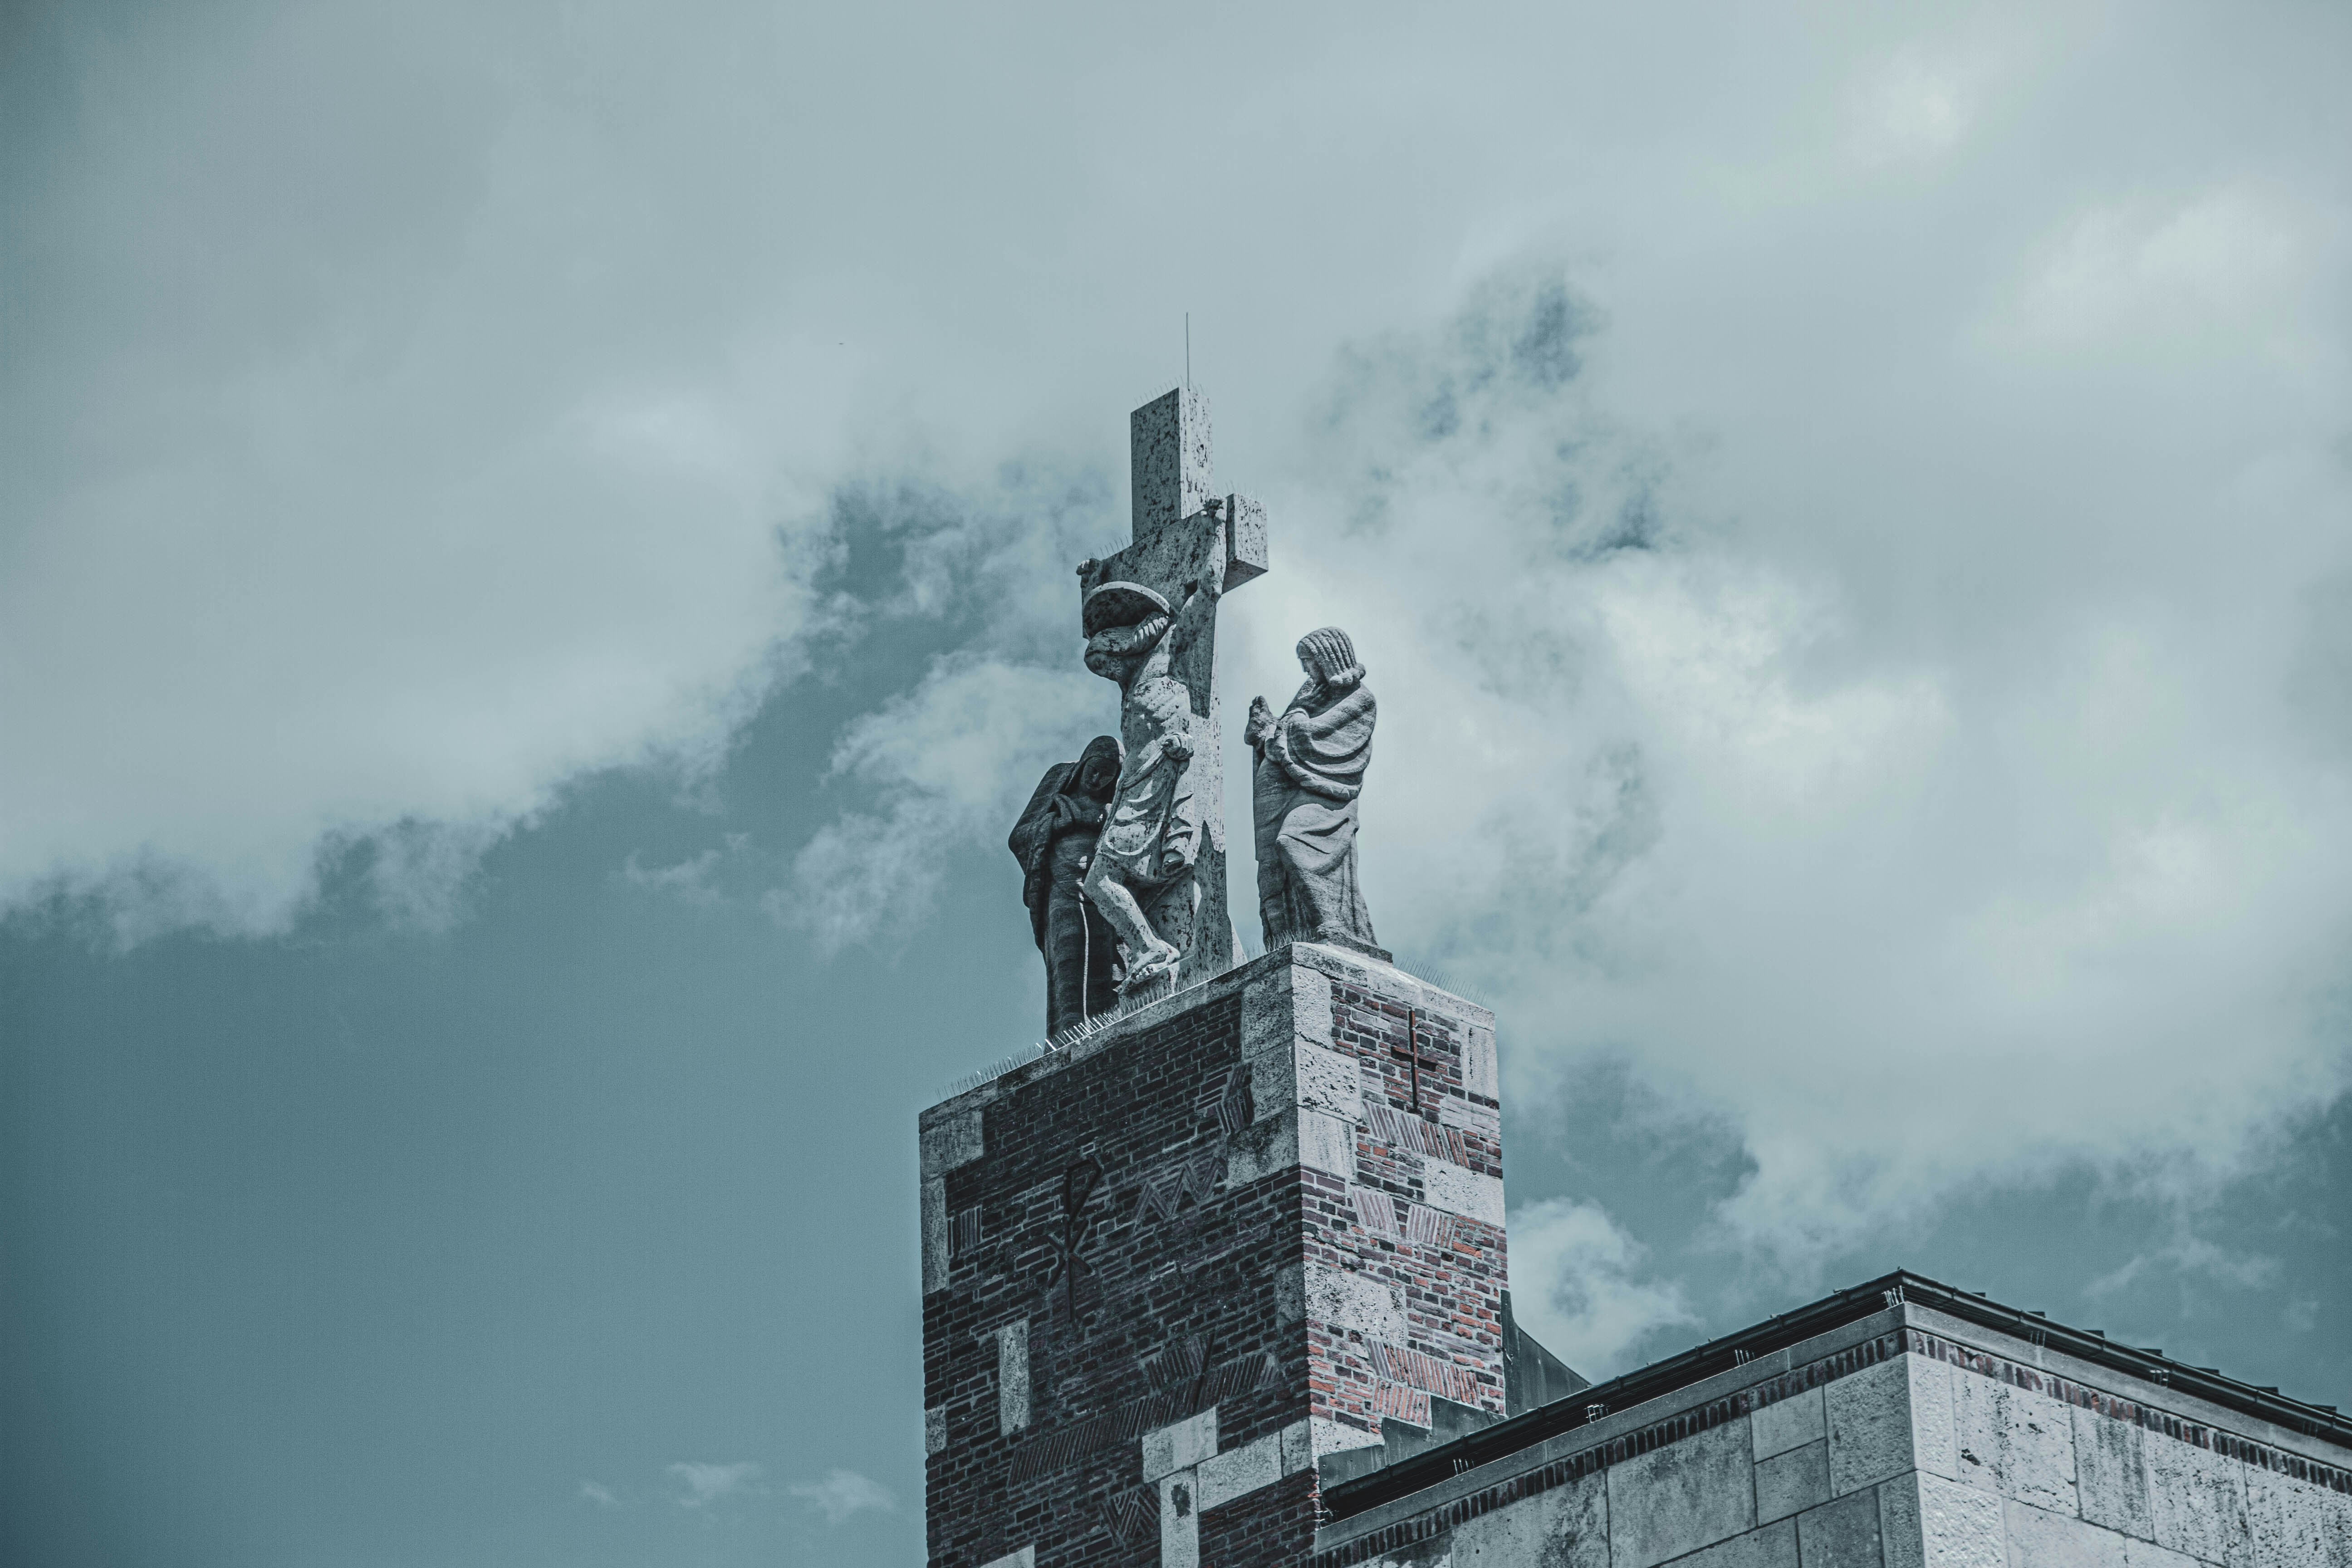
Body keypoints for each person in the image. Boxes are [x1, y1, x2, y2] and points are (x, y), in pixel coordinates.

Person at [1078, 566, 1223, 993]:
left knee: (1100, 881)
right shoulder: (1133, 677)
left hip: (1158, 777)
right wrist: (1092, 584)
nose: (1109, 658)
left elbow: (1207, 599)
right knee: (1101, 881)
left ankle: (1151, 948)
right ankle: (1150, 947)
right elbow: (1095, 653)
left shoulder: (1168, 653)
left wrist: (1214, 542)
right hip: (1136, 780)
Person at [1247, 626, 1382, 956]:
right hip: (1281, 791)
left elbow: (1313, 735)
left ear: (1328, 658)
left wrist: (1282, 728)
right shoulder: (1312, 691)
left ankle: (1332, 926)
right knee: (1271, 869)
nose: (1306, 670)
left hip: (1328, 793)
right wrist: (1266, 727)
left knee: (1293, 842)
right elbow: (1287, 729)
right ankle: (1282, 940)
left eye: (1309, 661)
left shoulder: (1361, 699)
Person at [1007, 735, 1122, 1037]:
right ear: (1084, 763)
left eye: (1106, 777)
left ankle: (1111, 1026)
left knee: (1108, 962)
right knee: (1069, 958)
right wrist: (1059, 824)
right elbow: (1020, 836)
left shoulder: (1117, 801)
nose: (1096, 780)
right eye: (1093, 770)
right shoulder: (1060, 778)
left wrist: (1099, 821)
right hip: (1061, 886)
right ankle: (1070, 1034)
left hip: (1104, 887)